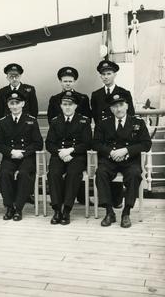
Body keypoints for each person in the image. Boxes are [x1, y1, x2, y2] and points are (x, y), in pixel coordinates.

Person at [93, 92, 151, 228]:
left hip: (129, 161)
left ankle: (126, 212)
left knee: (135, 174)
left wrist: (126, 150)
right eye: (114, 106)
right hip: (109, 160)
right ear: (111, 109)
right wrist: (111, 152)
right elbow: (95, 143)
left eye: (121, 105)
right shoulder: (103, 124)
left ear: (126, 106)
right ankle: (109, 212)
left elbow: (146, 144)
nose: (118, 109)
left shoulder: (138, 123)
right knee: (100, 173)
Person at [91, 60, 136, 208]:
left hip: (122, 139)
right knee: (104, 168)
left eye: (109, 73)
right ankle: (107, 201)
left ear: (115, 74)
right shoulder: (96, 95)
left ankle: (117, 199)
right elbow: (96, 117)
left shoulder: (124, 93)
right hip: (105, 138)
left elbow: (131, 117)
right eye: (103, 74)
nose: (106, 77)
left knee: (122, 166)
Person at [0, 91, 43, 221]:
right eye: (12, 103)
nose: (15, 106)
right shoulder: (4, 122)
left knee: (24, 174)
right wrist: (11, 152)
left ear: (23, 104)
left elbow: (38, 144)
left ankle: (19, 208)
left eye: (17, 103)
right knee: (4, 174)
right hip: (10, 156)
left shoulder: (31, 121)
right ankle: (9, 207)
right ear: (8, 105)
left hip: (26, 157)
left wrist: (24, 153)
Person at [46, 91, 92, 225]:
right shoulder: (55, 122)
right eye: (64, 104)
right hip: (59, 155)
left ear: (76, 106)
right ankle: (56, 210)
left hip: (76, 156)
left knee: (73, 174)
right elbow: (49, 143)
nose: (67, 107)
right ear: (60, 106)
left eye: (70, 104)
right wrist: (60, 152)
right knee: (53, 173)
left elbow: (87, 143)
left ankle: (66, 209)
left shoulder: (84, 121)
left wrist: (71, 150)